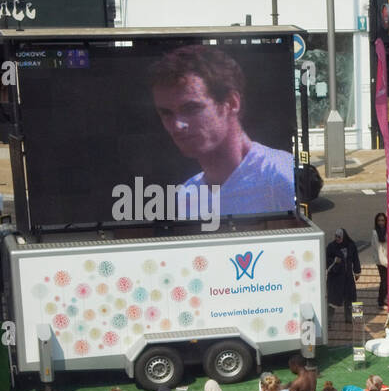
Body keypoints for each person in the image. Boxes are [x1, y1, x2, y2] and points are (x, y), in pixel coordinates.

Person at [149, 44, 294, 215]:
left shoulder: (280, 176)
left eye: (191, 108)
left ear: (232, 103)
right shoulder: (186, 195)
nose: (177, 125)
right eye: (166, 113)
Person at [326, 228, 361, 323]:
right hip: (335, 279)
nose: (337, 238)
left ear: (344, 237)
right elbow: (326, 260)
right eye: (336, 236)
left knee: (352, 297)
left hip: (348, 277)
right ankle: (327, 321)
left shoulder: (351, 245)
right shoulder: (331, 247)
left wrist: (357, 272)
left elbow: (355, 259)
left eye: (339, 237)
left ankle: (355, 318)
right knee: (332, 300)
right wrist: (334, 261)